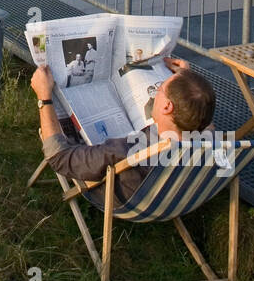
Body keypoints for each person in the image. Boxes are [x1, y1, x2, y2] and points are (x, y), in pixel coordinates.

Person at [33, 56, 215, 205]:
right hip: (171, 201)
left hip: (127, 201)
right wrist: (187, 79)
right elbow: (200, 111)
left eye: (160, 88)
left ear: (167, 107)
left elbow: (60, 158)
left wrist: (44, 97)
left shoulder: (128, 150)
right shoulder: (209, 139)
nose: (156, 90)